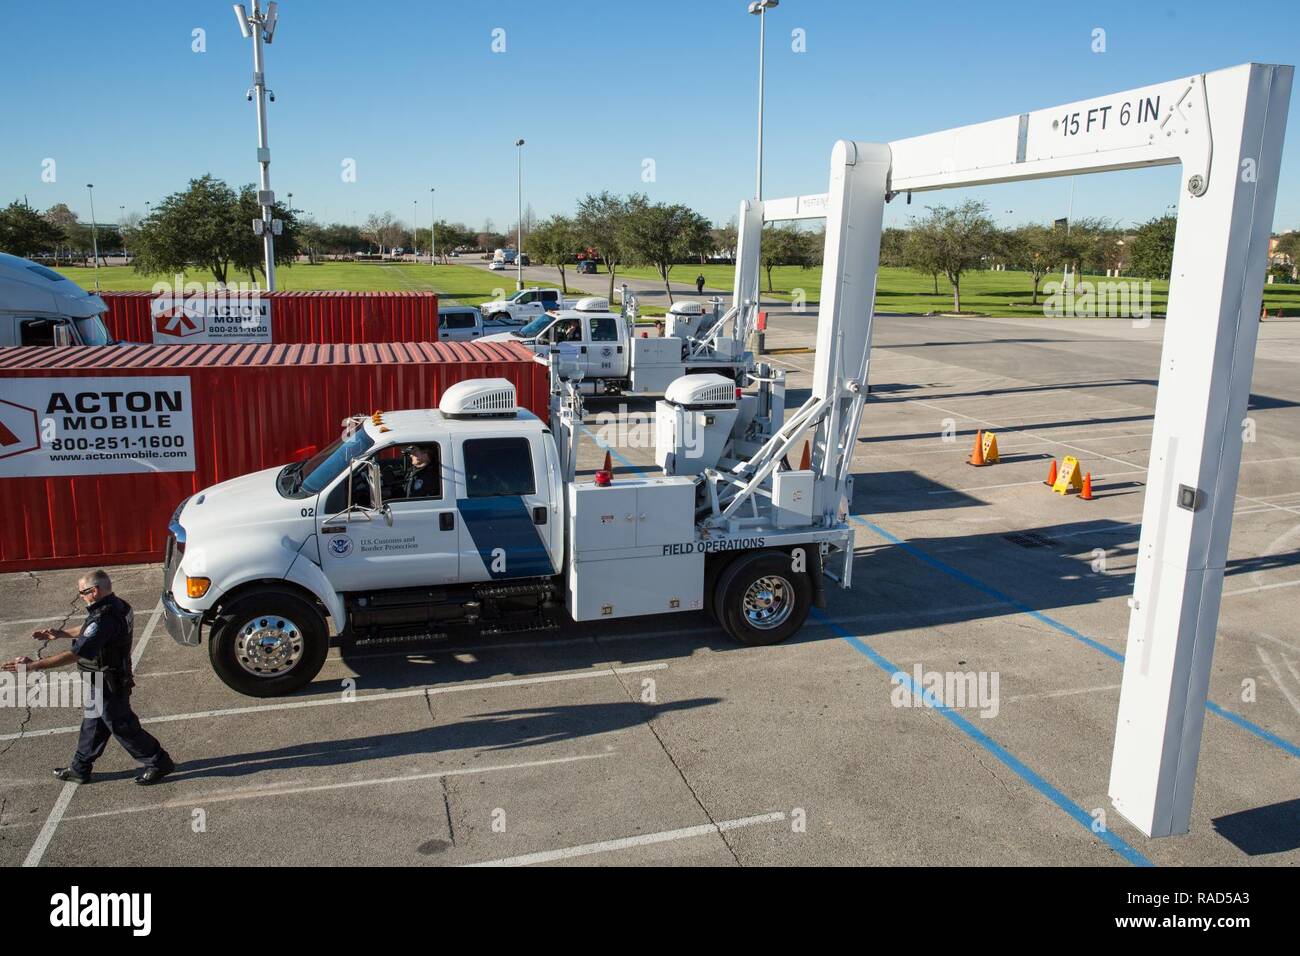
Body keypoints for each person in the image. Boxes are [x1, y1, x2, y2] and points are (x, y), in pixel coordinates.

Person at [2, 571, 175, 786]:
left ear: (94, 591)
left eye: (82, 593)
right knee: (93, 725)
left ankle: (159, 761)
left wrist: (32, 666)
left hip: (108, 681)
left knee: (121, 725)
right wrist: (62, 633)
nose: (81, 597)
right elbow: (89, 630)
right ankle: (79, 769)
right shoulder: (119, 605)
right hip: (102, 678)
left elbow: (78, 652)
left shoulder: (104, 617)